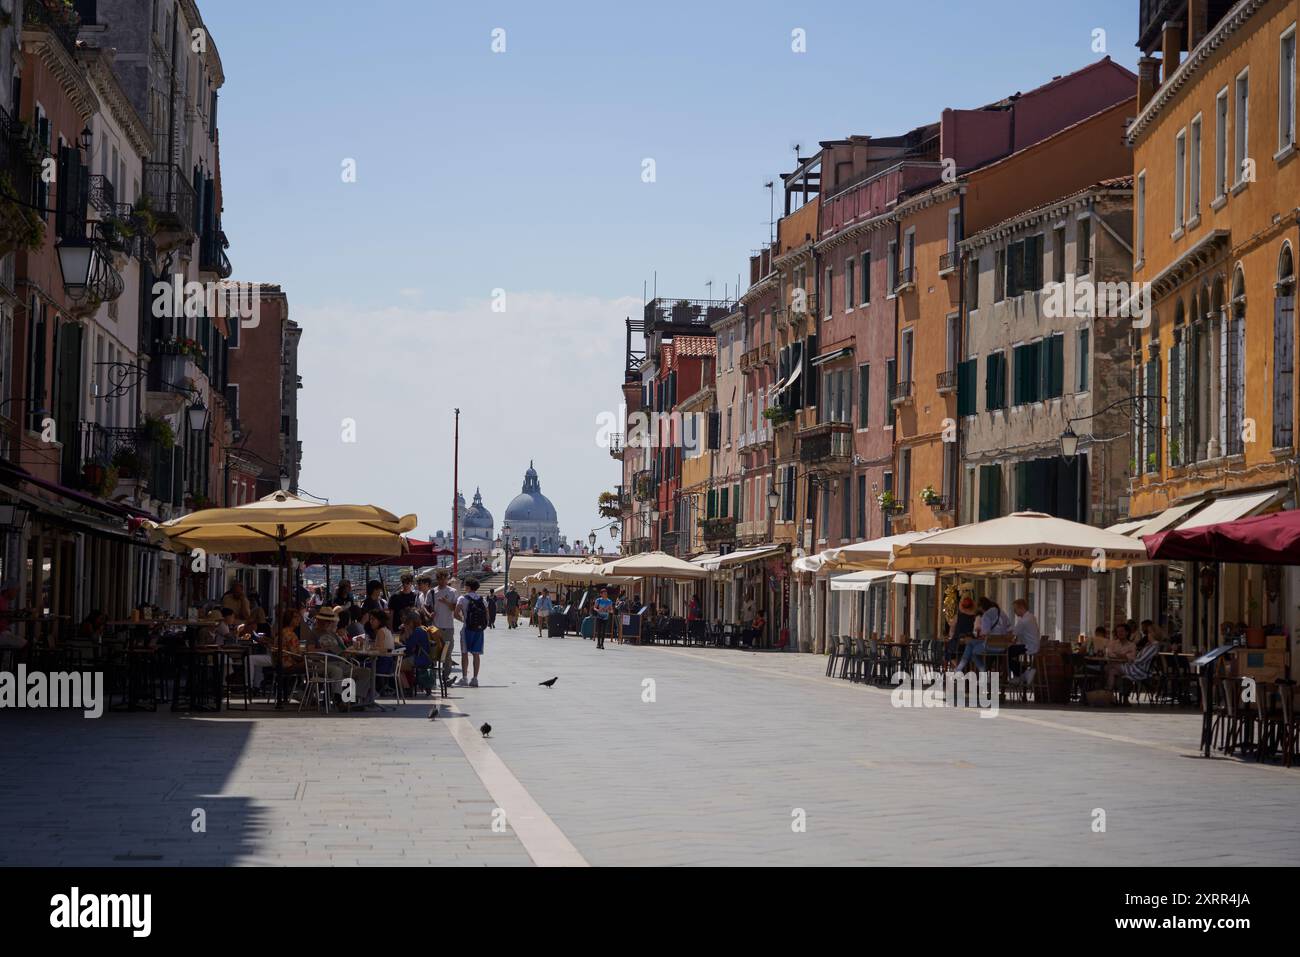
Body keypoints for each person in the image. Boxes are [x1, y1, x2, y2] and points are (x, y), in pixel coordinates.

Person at [455, 578, 489, 686]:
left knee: (464, 653)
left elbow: (455, 613)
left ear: (468, 587)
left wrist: (463, 620)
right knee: (476, 654)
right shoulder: (482, 600)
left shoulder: (462, 598)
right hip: (479, 630)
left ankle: (464, 678)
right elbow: (487, 615)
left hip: (467, 629)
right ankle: (475, 679)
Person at [397, 609, 433, 692]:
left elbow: (408, 648)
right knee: (403, 663)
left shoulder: (417, 631)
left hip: (420, 659)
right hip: (426, 658)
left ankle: (406, 688)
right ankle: (409, 686)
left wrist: (406, 634)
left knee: (396, 666)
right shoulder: (423, 629)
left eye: (407, 623)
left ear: (411, 622)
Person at [430, 570, 458, 673]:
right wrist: (429, 614)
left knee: (447, 653)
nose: (442, 581)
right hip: (435, 627)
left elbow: (454, 608)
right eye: (440, 578)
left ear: (447, 579)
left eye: (444, 578)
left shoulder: (452, 591)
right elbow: (426, 606)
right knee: (433, 653)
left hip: (448, 627)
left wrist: (446, 602)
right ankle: (432, 677)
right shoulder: (432, 592)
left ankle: (446, 676)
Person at [1008, 598, 1041, 680]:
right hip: (1034, 645)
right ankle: (1019, 675)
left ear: (1021, 608)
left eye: (1015, 609)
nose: (1014, 611)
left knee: (1006, 653)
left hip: (1028, 646)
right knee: (1011, 652)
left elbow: (1013, 633)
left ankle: (1023, 673)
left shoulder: (1023, 621)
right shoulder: (1031, 616)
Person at [947, 594, 977, 667]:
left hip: (958, 644)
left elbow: (952, 630)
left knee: (948, 652)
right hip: (971, 642)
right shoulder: (976, 617)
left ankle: (959, 666)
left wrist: (951, 636)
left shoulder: (958, 617)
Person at [0, 582, 26, 651]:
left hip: (4, 632)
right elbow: (3, 615)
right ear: (10, 590)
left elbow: (5, 620)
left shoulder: (5, 601)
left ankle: (13, 661)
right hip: (1, 633)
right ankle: (20, 662)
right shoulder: (1, 600)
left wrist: (18, 615)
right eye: (16, 591)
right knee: (26, 645)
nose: (16, 594)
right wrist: (15, 614)